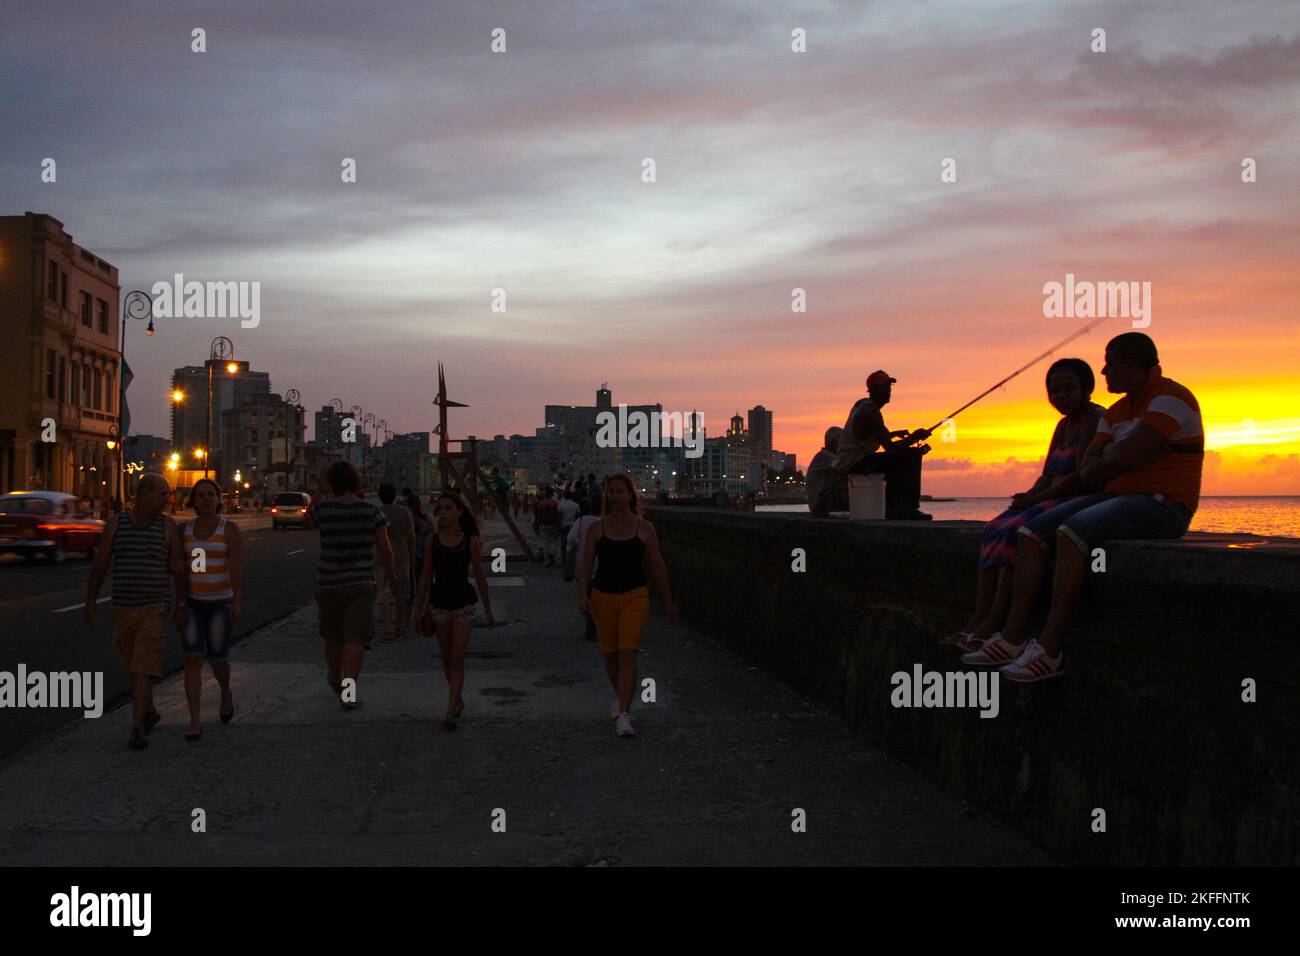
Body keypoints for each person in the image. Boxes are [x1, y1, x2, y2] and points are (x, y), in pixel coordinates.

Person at [963, 334, 1203, 682]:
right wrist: (1119, 456)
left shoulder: (1172, 398)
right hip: (1117, 497)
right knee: (1030, 532)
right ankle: (1013, 638)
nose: (1104, 370)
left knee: (1071, 532)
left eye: (1110, 363)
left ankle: (1049, 648)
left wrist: (1117, 456)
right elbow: (1091, 468)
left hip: (1163, 503)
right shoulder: (1119, 412)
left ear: (1132, 365)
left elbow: (1124, 456)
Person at [944, 359, 1104, 651]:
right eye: (1054, 391)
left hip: (1072, 499)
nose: (1060, 396)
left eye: (1068, 388)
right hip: (1049, 497)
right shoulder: (1062, 425)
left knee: (1015, 532)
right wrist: (1029, 495)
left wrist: (1037, 500)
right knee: (994, 527)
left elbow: (1082, 476)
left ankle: (995, 621)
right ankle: (979, 616)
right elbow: (1047, 475)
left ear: (1087, 388)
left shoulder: (1094, 419)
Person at [84, 473, 186, 750]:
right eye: (163, 494)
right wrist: (91, 602)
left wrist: (180, 605)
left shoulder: (168, 527)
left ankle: (136, 727)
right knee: (134, 665)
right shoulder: (117, 524)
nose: (168, 500)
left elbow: (178, 568)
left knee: (143, 664)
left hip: (154, 607)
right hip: (123, 607)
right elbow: (101, 565)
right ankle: (149, 710)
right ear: (144, 495)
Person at [577, 474, 676, 737]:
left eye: (621, 492)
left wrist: (667, 601)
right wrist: (582, 595)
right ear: (606, 496)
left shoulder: (644, 528)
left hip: (635, 595)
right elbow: (586, 565)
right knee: (610, 654)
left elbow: (657, 565)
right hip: (603, 596)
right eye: (612, 492)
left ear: (631, 495)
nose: (616, 496)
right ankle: (620, 695)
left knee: (628, 653)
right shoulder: (596, 529)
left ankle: (624, 714)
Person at [312, 461, 396, 708]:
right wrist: (391, 574)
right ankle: (348, 693)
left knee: (332, 637)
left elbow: (310, 514)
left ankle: (334, 676)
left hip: (328, 582)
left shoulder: (324, 509)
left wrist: (320, 488)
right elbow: (386, 549)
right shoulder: (371, 512)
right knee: (355, 639)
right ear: (356, 482)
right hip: (361, 582)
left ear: (332, 483)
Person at [411, 493, 495, 730]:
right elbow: (426, 576)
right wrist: (416, 609)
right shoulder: (432, 542)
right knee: (447, 658)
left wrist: (488, 611)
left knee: (457, 657)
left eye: (448, 508)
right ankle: (456, 699)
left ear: (459, 512)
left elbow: (480, 576)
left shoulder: (470, 540)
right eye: (440, 509)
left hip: (463, 605)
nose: (443, 513)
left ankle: (449, 711)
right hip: (439, 605)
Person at [179, 478, 242, 740]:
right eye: (201, 495)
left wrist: (237, 599)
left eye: (210, 494)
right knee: (193, 659)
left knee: (217, 659)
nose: (206, 499)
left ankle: (225, 691)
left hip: (220, 603)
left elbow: (236, 567)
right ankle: (195, 721)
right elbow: (181, 571)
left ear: (218, 499)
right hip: (193, 603)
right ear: (193, 500)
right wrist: (180, 603)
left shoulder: (229, 529)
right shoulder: (184, 530)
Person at [831, 370, 934, 520]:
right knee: (911, 456)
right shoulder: (870, 412)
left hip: (850, 461)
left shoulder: (862, 405)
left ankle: (895, 508)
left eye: (889, 387)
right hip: (854, 463)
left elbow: (867, 436)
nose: (889, 391)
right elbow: (891, 449)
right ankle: (906, 509)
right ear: (874, 390)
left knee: (901, 457)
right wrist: (914, 437)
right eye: (886, 387)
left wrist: (893, 434)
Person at [378, 483, 417, 642]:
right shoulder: (404, 512)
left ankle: (387, 628)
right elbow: (411, 536)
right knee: (401, 593)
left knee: (384, 594)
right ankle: (399, 625)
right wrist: (412, 556)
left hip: (381, 558)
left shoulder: (377, 512)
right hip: (401, 556)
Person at [568, 489, 603, 641]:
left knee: (587, 598)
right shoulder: (607, 522)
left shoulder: (582, 521)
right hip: (602, 567)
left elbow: (571, 539)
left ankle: (590, 629)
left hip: (582, 566)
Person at [807, 426, 846, 518]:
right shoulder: (827, 457)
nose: (844, 446)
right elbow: (845, 467)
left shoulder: (824, 456)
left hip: (819, 505)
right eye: (843, 442)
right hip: (820, 506)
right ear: (834, 443)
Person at [533, 486, 560, 566]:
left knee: (544, 542)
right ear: (552, 494)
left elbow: (537, 515)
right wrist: (557, 526)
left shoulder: (541, 503)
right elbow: (557, 515)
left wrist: (536, 525)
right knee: (553, 541)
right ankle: (551, 554)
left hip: (542, 524)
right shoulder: (555, 503)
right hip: (551, 524)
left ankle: (547, 560)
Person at [556, 490, 580, 566]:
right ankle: (571, 560)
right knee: (572, 544)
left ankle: (564, 561)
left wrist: (557, 526)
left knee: (563, 544)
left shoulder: (561, 505)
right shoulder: (575, 505)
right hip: (573, 525)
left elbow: (558, 516)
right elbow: (577, 516)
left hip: (564, 525)